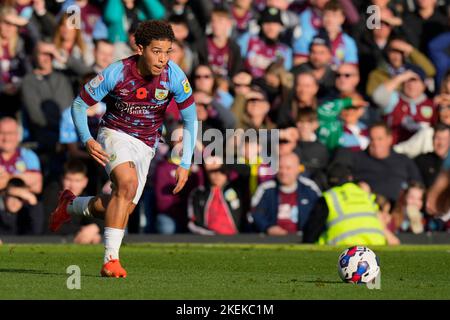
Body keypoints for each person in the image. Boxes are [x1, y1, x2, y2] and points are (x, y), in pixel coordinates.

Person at [49, 21, 198, 278]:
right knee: (126, 185)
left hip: (147, 145)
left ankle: (70, 205)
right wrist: (87, 139)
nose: (163, 59)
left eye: (167, 52)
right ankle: (111, 260)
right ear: (140, 49)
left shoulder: (174, 76)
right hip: (114, 133)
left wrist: (185, 164)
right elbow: (78, 105)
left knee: (121, 207)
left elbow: (191, 120)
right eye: (157, 51)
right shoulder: (116, 73)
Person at [333, 122, 422, 203]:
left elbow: (418, 186)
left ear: (389, 139)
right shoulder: (356, 158)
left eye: (380, 139)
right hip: (364, 205)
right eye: (372, 139)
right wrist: (356, 187)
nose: (375, 143)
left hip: (396, 211)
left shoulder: (404, 161)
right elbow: (339, 179)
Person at [303, 163, 387, 245]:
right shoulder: (365, 194)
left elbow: (312, 231)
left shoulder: (329, 197)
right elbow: (380, 220)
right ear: (349, 178)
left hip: (344, 245)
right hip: (376, 244)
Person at [251, 153, 321, 236]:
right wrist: (268, 228)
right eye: (280, 167)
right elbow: (256, 213)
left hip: (303, 239)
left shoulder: (309, 188)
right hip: (272, 239)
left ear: (298, 169)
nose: (283, 172)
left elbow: (320, 213)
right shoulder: (266, 188)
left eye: (288, 168)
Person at [188, 156, 245, 235]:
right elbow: (192, 222)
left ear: (227, 172)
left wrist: (221, 161)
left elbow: (246, 170)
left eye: (221, 171)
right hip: (208, 237)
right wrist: (212, 234)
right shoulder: (199, 193)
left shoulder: (237, 189)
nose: (217, 175)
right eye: (213, 171)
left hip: (235, 237)